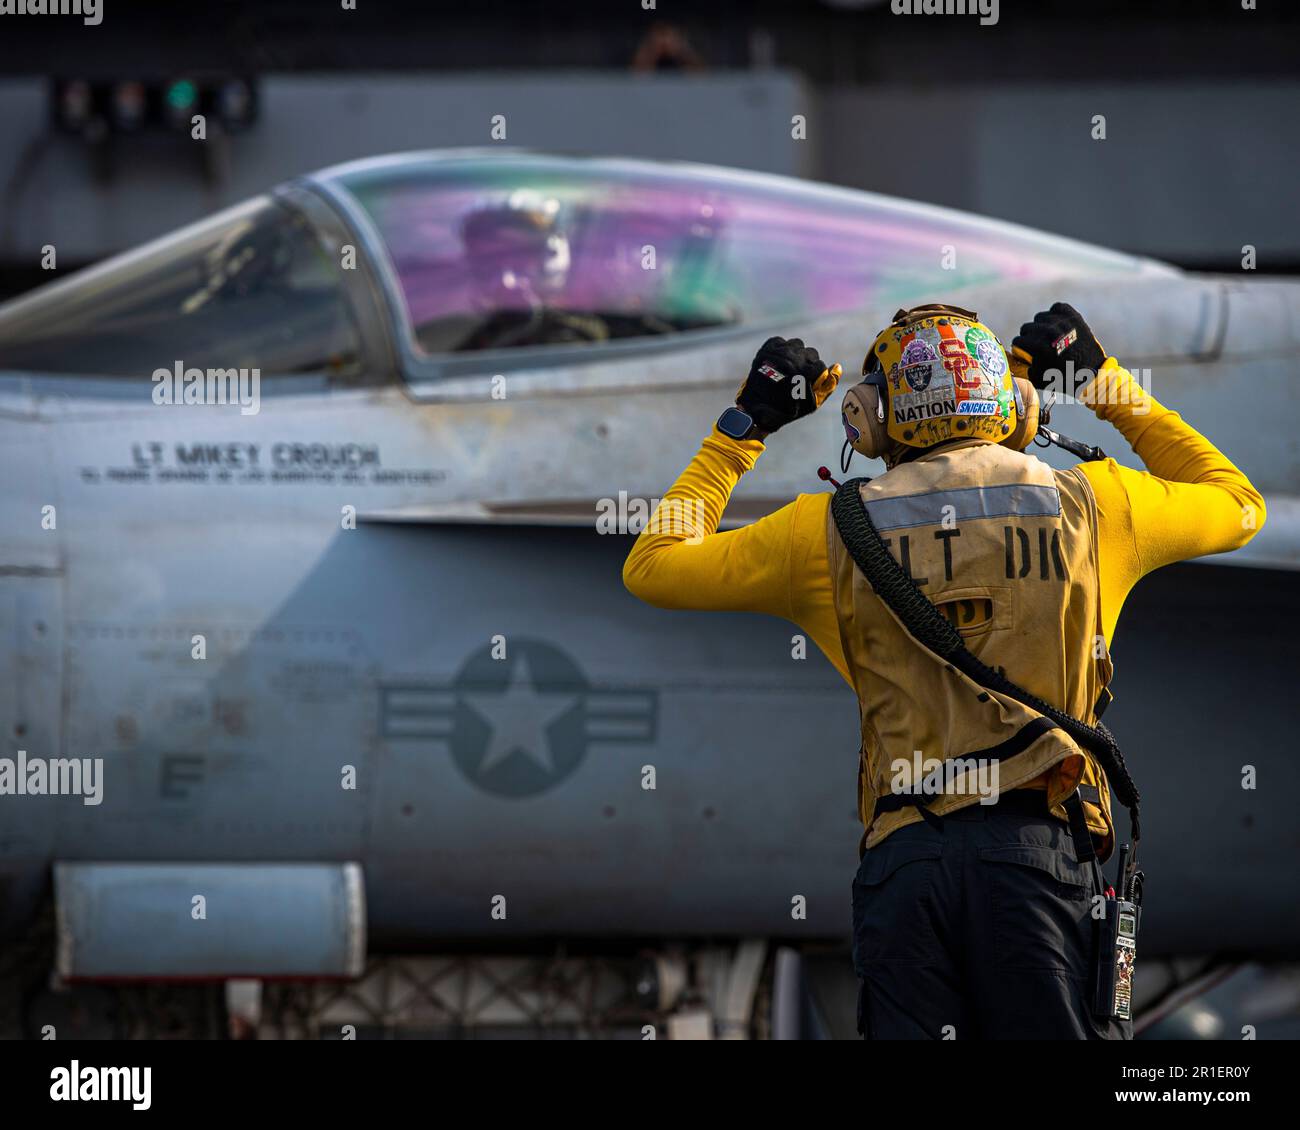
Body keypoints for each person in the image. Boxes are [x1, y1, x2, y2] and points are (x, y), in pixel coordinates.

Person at [622, 302, 1265, 1039]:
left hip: (908, 867)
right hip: (1041, 862)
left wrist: (745, 427)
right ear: (1013, 407)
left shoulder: (822, 531)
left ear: (870, 414)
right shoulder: (1095, 506)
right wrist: (1102, 379)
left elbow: (654, 566)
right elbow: (1237, 503)